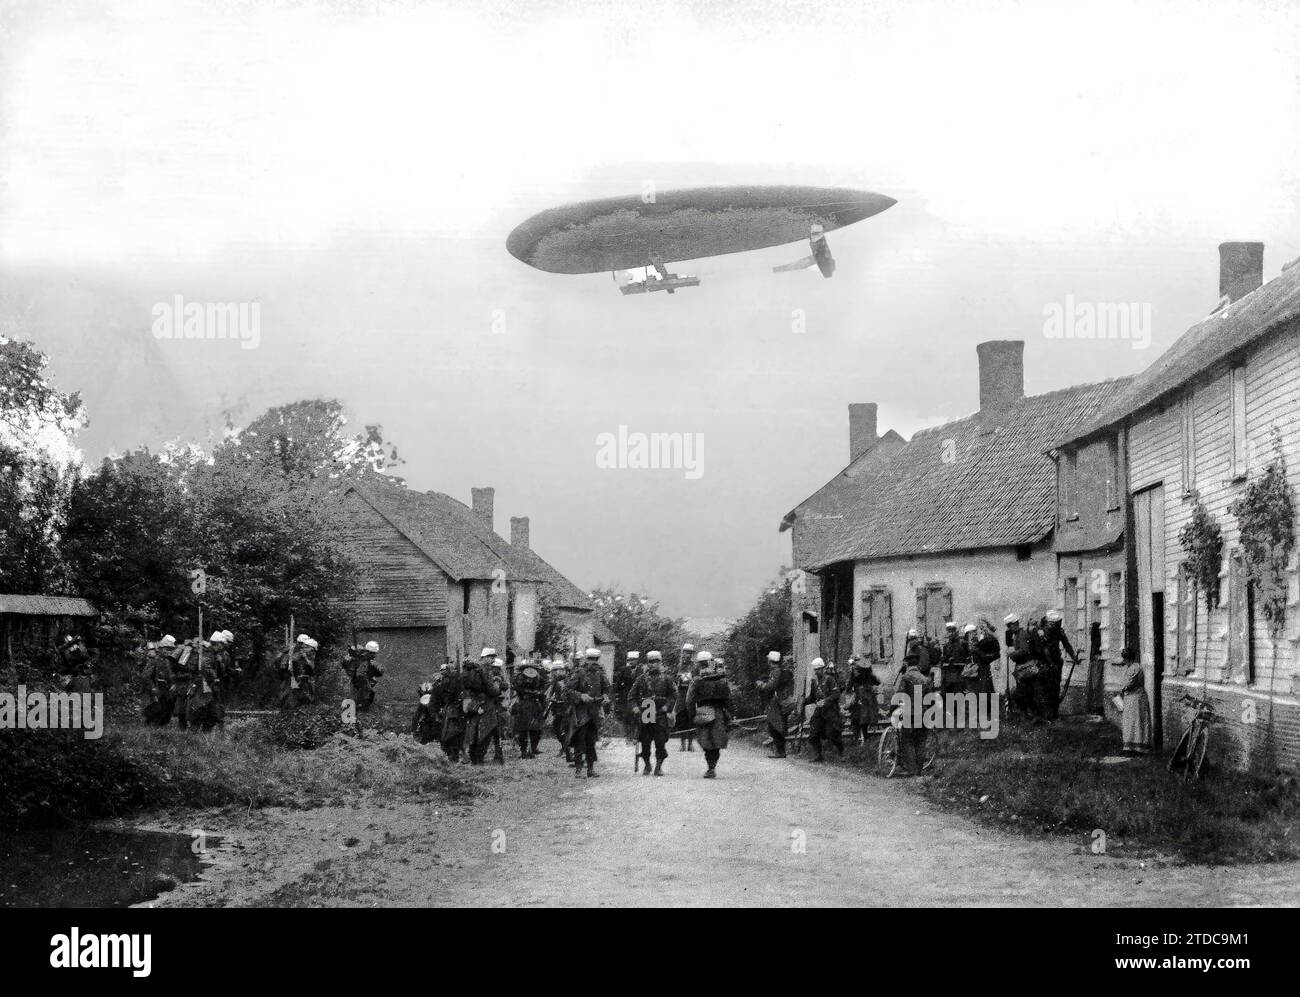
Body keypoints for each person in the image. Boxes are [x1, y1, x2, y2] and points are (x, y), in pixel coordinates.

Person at [627, 650, 676, 776]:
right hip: (646, 713)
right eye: (650, 662)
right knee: (645, 742)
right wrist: (635, 708)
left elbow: (673, 695)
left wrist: (667, 706)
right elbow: (631, 696)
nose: (653, 664)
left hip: (660, 714)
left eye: (655, 662)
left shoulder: (667, 679)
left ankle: (658, 766)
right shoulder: (641, 679)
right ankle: (647, 764)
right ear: (647, 663)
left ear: (660, 662)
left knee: (660, 742)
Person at [685, 651, 731, 778]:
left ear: (699, 665)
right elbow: (728, 698)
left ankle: (710, 767)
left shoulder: (696, 681)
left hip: (702, 712)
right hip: (718, 712)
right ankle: (712, 767)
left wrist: (692, 715)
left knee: (705, 741)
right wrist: (729, 714)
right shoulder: (722, 680)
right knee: (716, 741)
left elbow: (689, 700)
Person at [893, 640, 936, 775]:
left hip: (909, 713)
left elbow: (899, 695)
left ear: (907, 663)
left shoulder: (906, 677)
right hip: (922, 713)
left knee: (908, 741)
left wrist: (891, 710)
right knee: (920, 741)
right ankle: (918, 771)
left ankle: (911, 771)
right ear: (917, 663)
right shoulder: (924, 678)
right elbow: (931, 699)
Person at [567, 648, 611, 778]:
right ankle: (579, 769)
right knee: (579, 740)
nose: (593, 662)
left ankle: (590, 769)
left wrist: (606, 697)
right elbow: (567, 690)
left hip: (595, 712)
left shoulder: (601, 674)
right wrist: (581, 696)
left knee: (591, 741)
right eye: (590, 659)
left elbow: (608, 689)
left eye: (595, 659)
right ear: (586, 659)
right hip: (581, 712)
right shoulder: (579, 673)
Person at [462, 648, 503, 765]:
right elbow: (491, 690)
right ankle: (479, 760)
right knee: (486, 731)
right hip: (486, 704)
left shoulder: (474, 669)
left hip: (474, 703)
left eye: (493, 657)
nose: (492, 660)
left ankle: (474, 759)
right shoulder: (484, 670)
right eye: (490, 657)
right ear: (484, 657)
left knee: (474, 732)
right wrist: (498, 687)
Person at [755, 650, 794, 757]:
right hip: (780, 701)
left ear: (770, 661)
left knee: (775, 725)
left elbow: (771, 687)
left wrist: (760, 684)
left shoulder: (776, 671)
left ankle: (780, 751)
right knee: (777, 725)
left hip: (776, 702)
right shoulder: (779, 670)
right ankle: (780, 751)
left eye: (768, 659)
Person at [1040, 610, 1078, 721]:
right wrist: (1051, 663)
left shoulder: (1058, 631)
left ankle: (1054, 714)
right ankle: (1046, 715)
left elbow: (1066, 644)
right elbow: (1044, 649)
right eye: (1053, 623)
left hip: (1056, 662)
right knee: (1046, 688)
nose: (1055, 625)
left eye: (1057, 623)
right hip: (1045, 663)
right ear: (1048, 623)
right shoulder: (1042, 632)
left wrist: (1073, 657)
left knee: (1055, 687)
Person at [806, 657, 843, 762]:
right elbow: (812, 697)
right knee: (813, 733)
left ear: (823, 669)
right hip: (819, 712)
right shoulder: (814, 682)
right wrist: (804, 701)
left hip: (830, 711)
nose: (816, 671)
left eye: (818, 669)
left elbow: (836, 694)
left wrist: (825, 701)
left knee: (832, 734)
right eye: (815, 670)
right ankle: (818, 755)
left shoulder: (829, 679)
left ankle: (841, 750)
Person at [511, 656, 547, 758]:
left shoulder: (539, 677)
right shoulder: (519, 677)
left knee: (535, 729)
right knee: (523, 729)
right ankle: (524, 751)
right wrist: (532, 692)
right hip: (524, 704)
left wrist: (539, 695)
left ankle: (531, 749)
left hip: (533, 704)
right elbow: (517, 687)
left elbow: (543, 687)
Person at [1119, 647, 1151, 755]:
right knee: (1130, 722)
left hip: (1136, 699)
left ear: (1128, 659)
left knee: (1136, 722)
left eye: (1125, 659)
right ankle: (1130, 747)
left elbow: (1129, 683)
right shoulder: (1132, 667)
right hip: (1132, 699)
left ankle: (1137, 748)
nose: (1123, 661)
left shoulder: (1135, 668)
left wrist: (1122, 689)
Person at [432, 660, 466, 761]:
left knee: (452, 733)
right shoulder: (444, 682)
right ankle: (452, 754)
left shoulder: (455, 680)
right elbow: (436, 698)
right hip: (450, 710)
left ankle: (454, 754)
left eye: (454, 669)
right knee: (451, 733)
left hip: (454, 710)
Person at [139, 637, 175, 726]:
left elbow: (169, 676)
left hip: (165, 690)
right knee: (155, 711)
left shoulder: (167, 661)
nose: (169, 652)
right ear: (161, 649)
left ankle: (160, 729)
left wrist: (172, 684)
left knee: (167, 710)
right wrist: (152, 687)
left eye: (170, 650)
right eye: (167, 649)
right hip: (155, 690)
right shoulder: (153, 660)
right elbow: (145, 676)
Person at [846, 655, 881, 744]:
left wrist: (849, 689)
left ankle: (860, 737)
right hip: (869, 697)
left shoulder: (855, 672)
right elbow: (877, 681)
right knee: (866, 716)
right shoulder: (868, 671)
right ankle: (864, 737)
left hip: (860, 696)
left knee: (858, 716)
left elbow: (850, 684)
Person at [343, 640, 384, 711]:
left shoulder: (371, 662)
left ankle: (359, 712)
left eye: (375, 654)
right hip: (358, 683)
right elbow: (347, 666)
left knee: (366, 698)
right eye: (373, 653)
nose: (374, 655)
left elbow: (380, 673)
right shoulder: (357, 659)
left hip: (362, 684)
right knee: (356, 700)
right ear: (369, 652)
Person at [546, 659, 573, 762]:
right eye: (555, 670)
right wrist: (549, 698)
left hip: (566, 708)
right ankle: (565, 748)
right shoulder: (555, 681)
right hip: (557, 708)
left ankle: (568, 751)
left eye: (558, 670)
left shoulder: (568, 681)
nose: (556, 672)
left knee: (564, 730)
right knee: (557, 728)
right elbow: (550, 692)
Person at [673, 644, 696, 751]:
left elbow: (697, 679)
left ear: (692, 654)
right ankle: (682, 744)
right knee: (682, 719)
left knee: (691, 719)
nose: (686, 655)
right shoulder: (679, 666)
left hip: (692, 695)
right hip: (682, 695)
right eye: (685, 652)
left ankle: (690, 744)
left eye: (689, 653)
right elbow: (676, 681)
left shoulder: (695, 666)